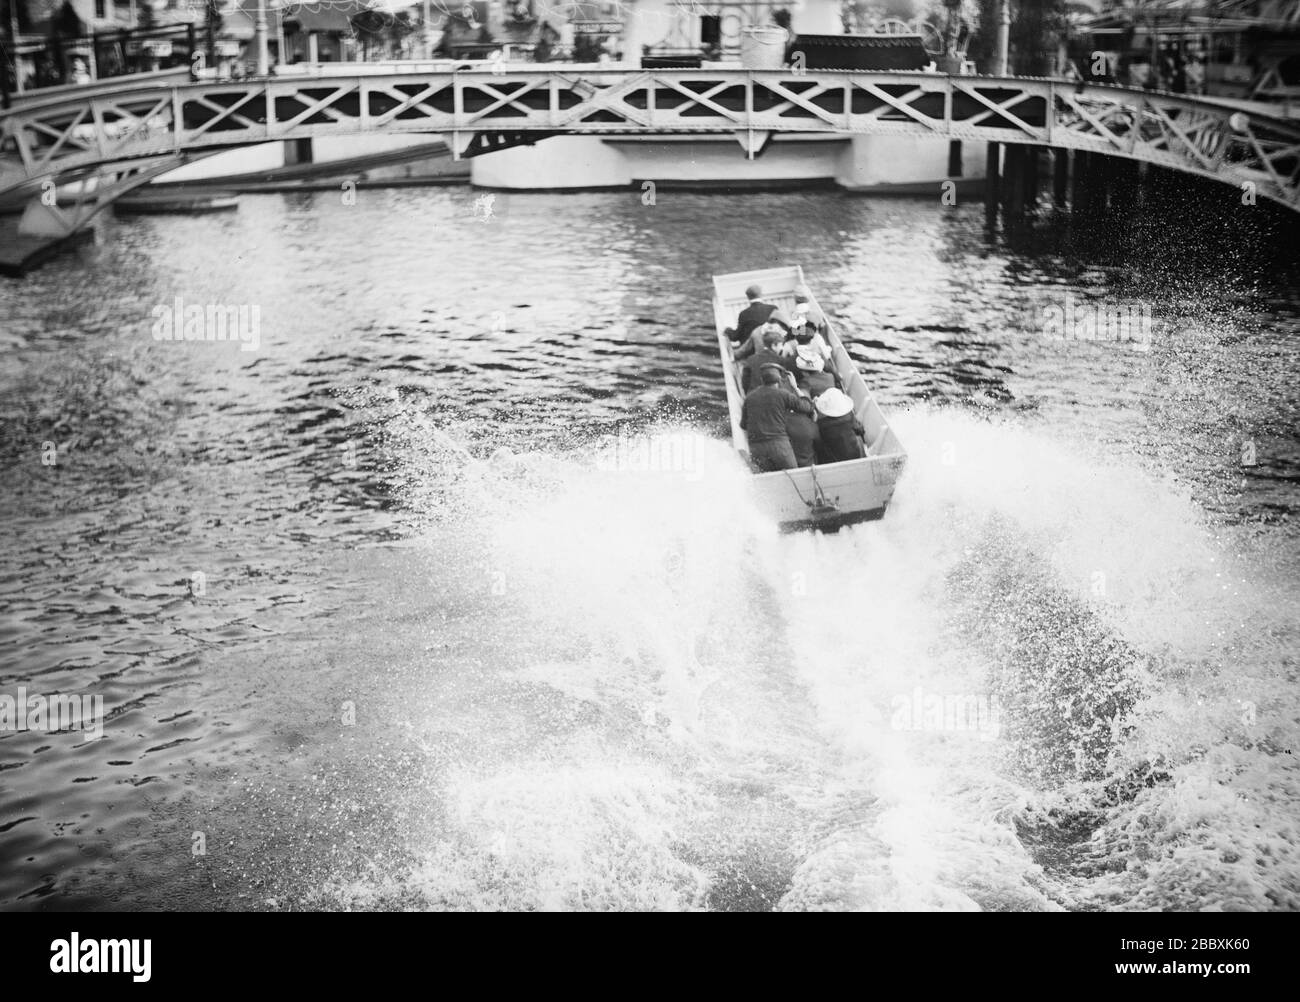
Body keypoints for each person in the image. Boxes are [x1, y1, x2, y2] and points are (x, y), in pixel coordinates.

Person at [741, 366, 812, 472]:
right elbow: (807, 407)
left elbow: (743, 425)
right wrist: (796, 388)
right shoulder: (783, 394)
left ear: (762, 380)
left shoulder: (749, 397)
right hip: (779, 446)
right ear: (779, 380)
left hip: (756, 448)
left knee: (765, 482)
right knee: (794, 477)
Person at [730, 284, 791, 360]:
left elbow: (736, 337)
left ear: (748, 297)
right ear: (761, 294)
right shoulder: (773, 309)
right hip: (779, 354)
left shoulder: (745, 316)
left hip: (757, 354)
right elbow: (790, 328)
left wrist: (728, 331)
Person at [814, 387, 867, 463]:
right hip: (855, 455)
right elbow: (861, 430)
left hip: (834, 459)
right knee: (858, 438)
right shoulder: (849, 416)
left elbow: (818, 444)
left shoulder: (821, 424)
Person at [780, 372, 820, 467]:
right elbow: (819, 447)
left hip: (789, 464)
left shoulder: (783, 420)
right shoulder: (813, 427)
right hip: (808, 465)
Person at [741, 325, 794, 395]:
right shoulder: (782, 361)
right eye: (780, 345)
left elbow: (745, 382)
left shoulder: (751, 359)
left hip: (753, 394)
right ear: (773, 345)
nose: (781, 348)